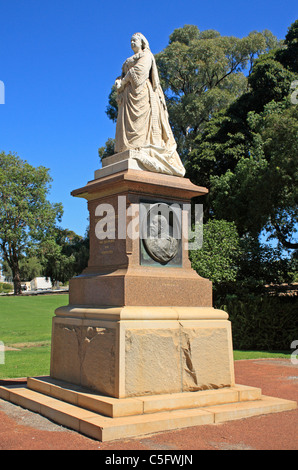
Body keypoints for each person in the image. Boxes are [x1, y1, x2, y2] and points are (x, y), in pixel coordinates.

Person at [114, 33, 185, 177]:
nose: (132, 42)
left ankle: (142, 147)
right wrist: (118, 81)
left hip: (141, 93)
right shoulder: (128, 60)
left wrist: (124, 80)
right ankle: (129, 147)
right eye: (131, 41)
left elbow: (139, 73)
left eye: (135, 40)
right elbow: (122, 75)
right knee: (128, 123)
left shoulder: (146, 55)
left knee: (141, 122)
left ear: (142, 43)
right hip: (128, 95)